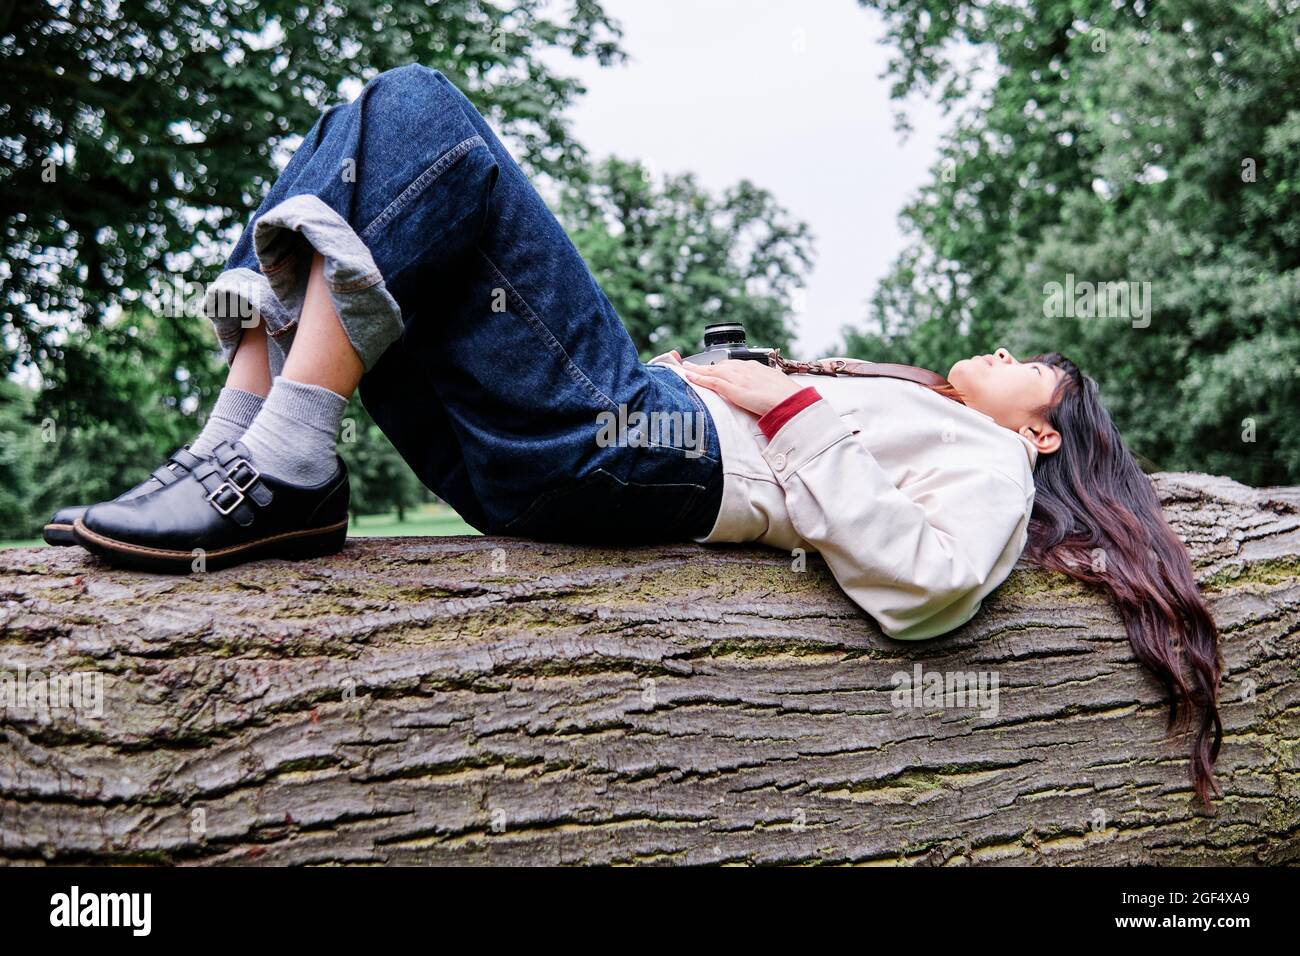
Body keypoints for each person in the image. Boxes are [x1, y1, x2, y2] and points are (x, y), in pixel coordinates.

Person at [44, 65, 1222, 807]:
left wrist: (784, 403)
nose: (1009, 355)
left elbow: (931, 585)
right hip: (584, 453)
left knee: (423, 113)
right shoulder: (939, 414)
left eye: (1033, 370)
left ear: (1048, 435)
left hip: (651, 454)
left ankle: (283, 455)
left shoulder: (992, 463)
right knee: (351, 130)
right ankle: (248, 437)